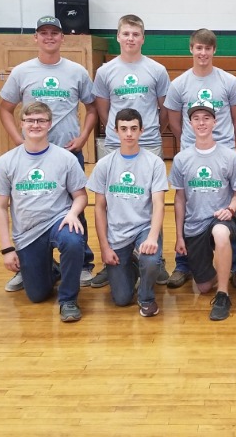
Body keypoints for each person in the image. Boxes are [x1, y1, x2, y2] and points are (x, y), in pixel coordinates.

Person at [0, 15, 97, 291]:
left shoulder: (77, 71)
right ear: (36, 38)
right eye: (44, 33)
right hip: (32, 155)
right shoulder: (22, 71)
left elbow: (92, 108)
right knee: (27, 205)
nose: (49, 37)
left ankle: (83, 264)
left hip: (67, 153)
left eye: (55, 32)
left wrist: (84, 137)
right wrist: (19, 140)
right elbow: (5, 109)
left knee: (75, 207)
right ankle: (28, 264)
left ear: (63, 38)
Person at [0, 103, 89, 322]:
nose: (36, 125)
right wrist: (7, 249)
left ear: (49, 124)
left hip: (58, 221)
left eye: (41, 120)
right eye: (30, 120)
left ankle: (68, 300)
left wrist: (72, 214)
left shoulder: (65, 158)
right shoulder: (7, 161)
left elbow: (81, 195)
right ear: (22, 124)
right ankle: (49, 269)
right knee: (37, 295)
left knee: (72, 240)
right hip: (27, 232)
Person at [164, 28, 236, 289]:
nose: (203, 53)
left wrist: (221, 144)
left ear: (214, 50)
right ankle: (183, 263)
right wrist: (193, 141)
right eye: (198, 48)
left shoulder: (228, 81)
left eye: (207, 48)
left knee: (227, 209)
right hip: (192, 151)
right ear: (191, 49)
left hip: (222, 151)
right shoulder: (179, 84)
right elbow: (174, 121)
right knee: (189, 205)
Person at [91, 14, 171, 288]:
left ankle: (155, 260)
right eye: (126, 34)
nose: (130, 39)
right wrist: (120, 132)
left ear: (143, 38)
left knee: (150, 201)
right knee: (115, 201)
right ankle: (112, 257)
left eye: (135, 34)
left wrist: (149, 131)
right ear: (118, 36)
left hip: (148, 142)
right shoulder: (105, 71)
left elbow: (164, 108)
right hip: (116, 144)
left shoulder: (156, 70)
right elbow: (102, 108)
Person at [86, 108, 167, 316]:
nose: (129, 134)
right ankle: (131, 263)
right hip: (117, 232)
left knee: (150, 260)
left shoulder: (154, 163)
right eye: (124, 129)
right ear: (115, 131)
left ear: (141, 130)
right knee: (121, 299)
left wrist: (152, 237)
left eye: (133, 128)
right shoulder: (104, 165)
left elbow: (159, 204)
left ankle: (146, 297)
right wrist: (104, 247)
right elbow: (100, 207)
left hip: (144, 228)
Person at [169, 100, 236, 321]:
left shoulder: (229, 156)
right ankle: (219, 271)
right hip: (195, 224)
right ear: (190, 123)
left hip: (221, 218)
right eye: (196, 118)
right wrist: (179, 235)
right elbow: (179, 198)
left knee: (221, 233)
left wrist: (230, 209)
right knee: (202, 287)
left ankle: (223, 294)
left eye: (206, 118)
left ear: (215, 121)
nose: (201, 123)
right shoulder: (181, 159)